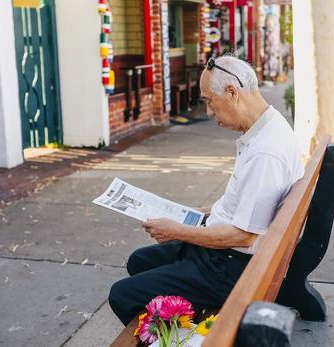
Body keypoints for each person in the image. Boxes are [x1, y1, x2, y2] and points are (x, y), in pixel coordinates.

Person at [108, 56, 304, 325]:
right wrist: (199, 213)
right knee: (140, 260)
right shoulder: (267, 126)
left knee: (121, 295)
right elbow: (245, 201)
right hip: (225, 253)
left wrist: (176, 231)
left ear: (232, 93)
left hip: (230, 267)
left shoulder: (266, 152)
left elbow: (243, 236)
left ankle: (172, 335)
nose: (210, 112)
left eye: (210, 101)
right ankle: (172, 321)